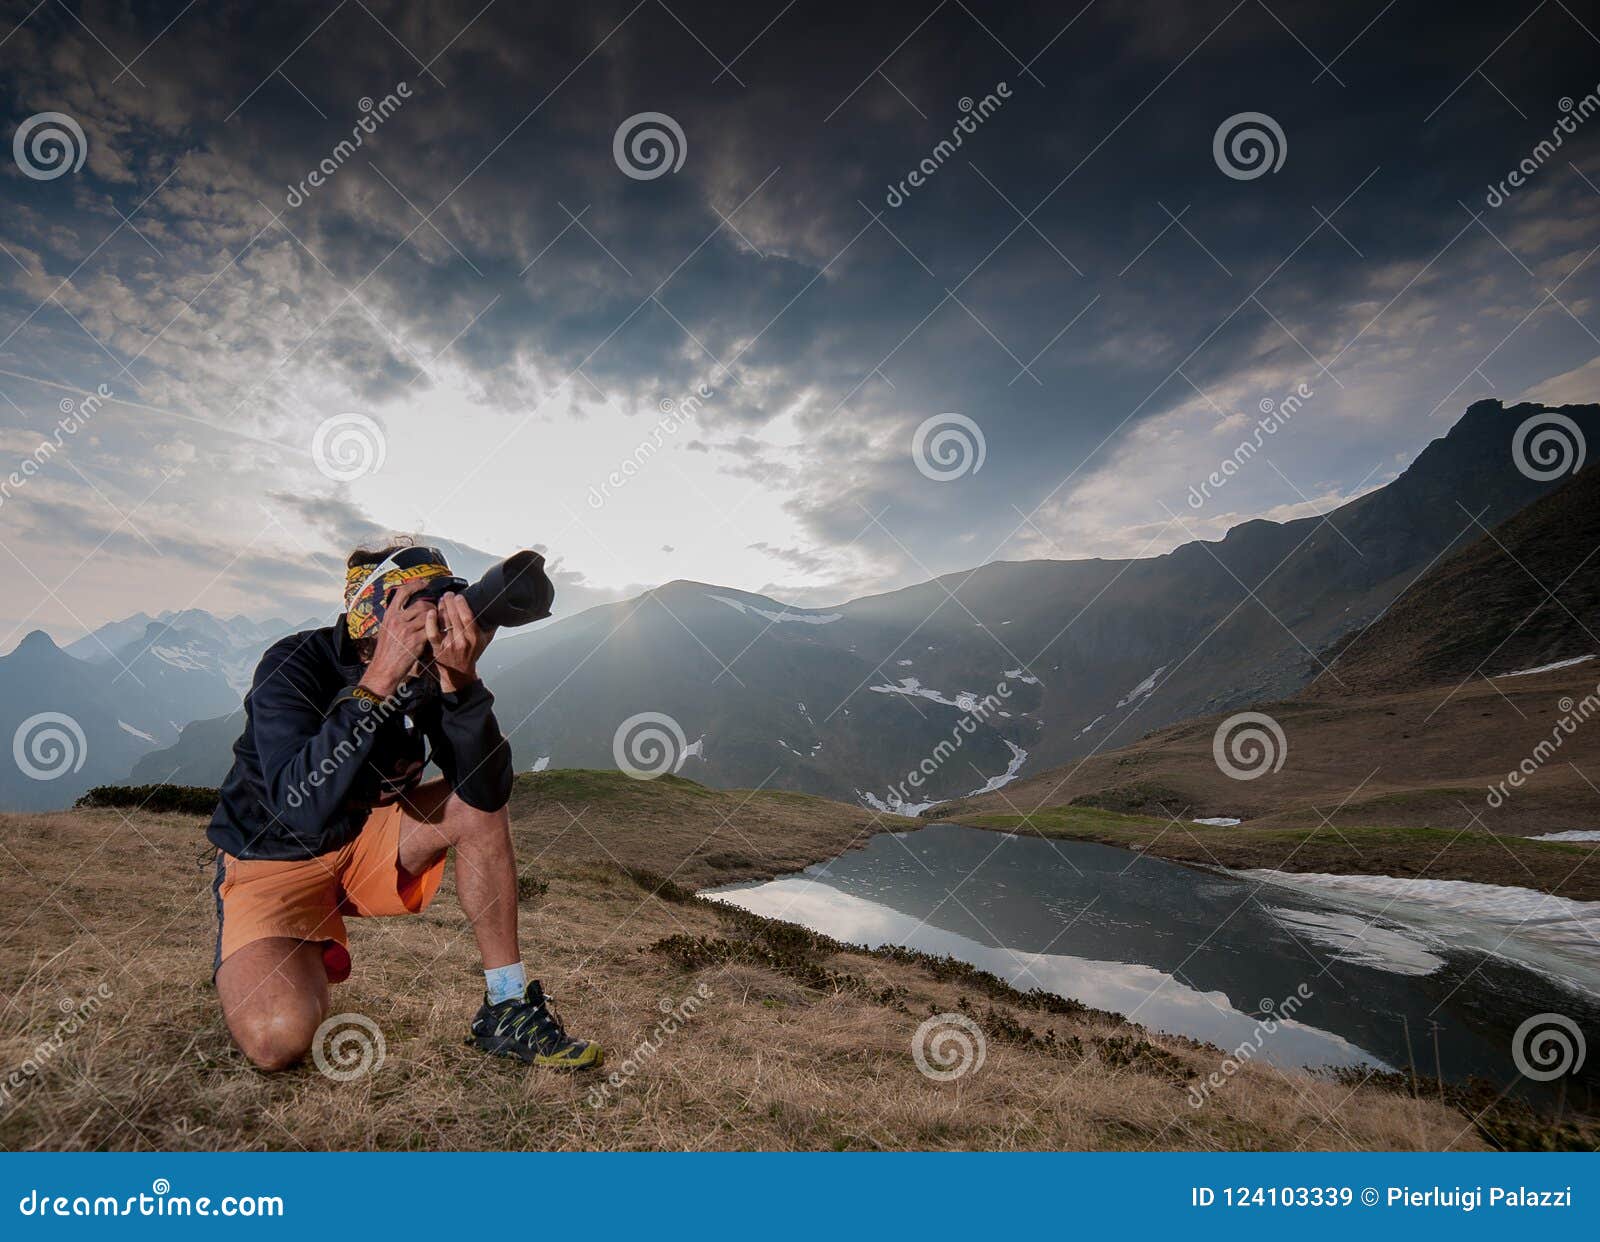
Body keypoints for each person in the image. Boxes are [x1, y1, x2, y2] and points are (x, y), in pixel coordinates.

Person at [206, 540, 601, 1071]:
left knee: (472, 808)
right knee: (279, 1040)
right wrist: (378, 681)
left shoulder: (429, 674)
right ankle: (282, 951)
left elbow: (486, 794)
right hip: (270, 862)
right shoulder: (294, 664)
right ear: (374, 612)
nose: (433, 622)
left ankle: (506, 1006)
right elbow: (296, 806)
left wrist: (461, 685)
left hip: (363, 840)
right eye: (417, 607)